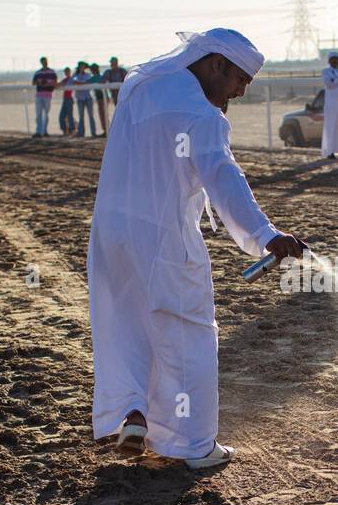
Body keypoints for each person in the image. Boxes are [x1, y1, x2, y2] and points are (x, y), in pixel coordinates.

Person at [88, 28, 304, 467]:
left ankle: (134, 412)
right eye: (240, 79)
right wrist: (265, 234)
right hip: (164, 239)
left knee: (125, 324)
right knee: (187, 336)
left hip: (111, 234)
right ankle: (192, 446)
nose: (241, 91)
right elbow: (224, 179)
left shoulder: (141, 89)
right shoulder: (201, 116)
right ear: (215, 63)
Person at [32, 56, 57, 137]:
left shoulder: (52, 72)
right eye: (43, 61)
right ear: (41, 62)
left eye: (45, 61)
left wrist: (47, 83)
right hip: (39, 95)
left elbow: (55, 82)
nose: (44, 63)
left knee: (46, 114)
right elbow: (33, 83)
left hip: (48, 95)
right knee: (38, 114)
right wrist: (40, 82)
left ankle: (44, 131)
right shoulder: (37, 72)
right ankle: (38, 132)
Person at [74, 61, 98, 138]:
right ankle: (81, 133)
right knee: (81, 116)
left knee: (91, 116)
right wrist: (82, 83)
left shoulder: (88, 75)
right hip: (80, 98)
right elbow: (75, 82)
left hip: (87, 98)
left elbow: (87, 82)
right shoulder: (75, 75)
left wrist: (80, 83)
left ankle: (93, 133)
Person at [57, 66, 76, 136]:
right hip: (65, 99)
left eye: (67, 71)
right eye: (65, 72)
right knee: (62, 116)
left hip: (69, 99)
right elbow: (59, 84)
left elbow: (69, 84)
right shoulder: (65, 79)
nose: (66, 73)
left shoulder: (71, 79)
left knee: (70, 115)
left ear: (69, 72)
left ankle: (72, 130)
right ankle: (65, 130)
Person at [91, 63, 108, 136]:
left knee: (103, 114)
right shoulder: (99, 76)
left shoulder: (96, 77)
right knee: (104, 114)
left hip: (101, 98)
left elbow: (86, 82)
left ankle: (106, 130)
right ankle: (106, 130)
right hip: (102, 97)